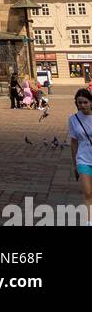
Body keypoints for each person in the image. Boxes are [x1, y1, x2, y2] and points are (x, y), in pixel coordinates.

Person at [68, 87, 92, 225]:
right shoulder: (73, 119)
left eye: (85, 102)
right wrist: (75, 163)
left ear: (91, 102)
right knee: (88, 193)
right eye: (79, 102)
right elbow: (74, 142)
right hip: (83, 159)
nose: (82, 105)